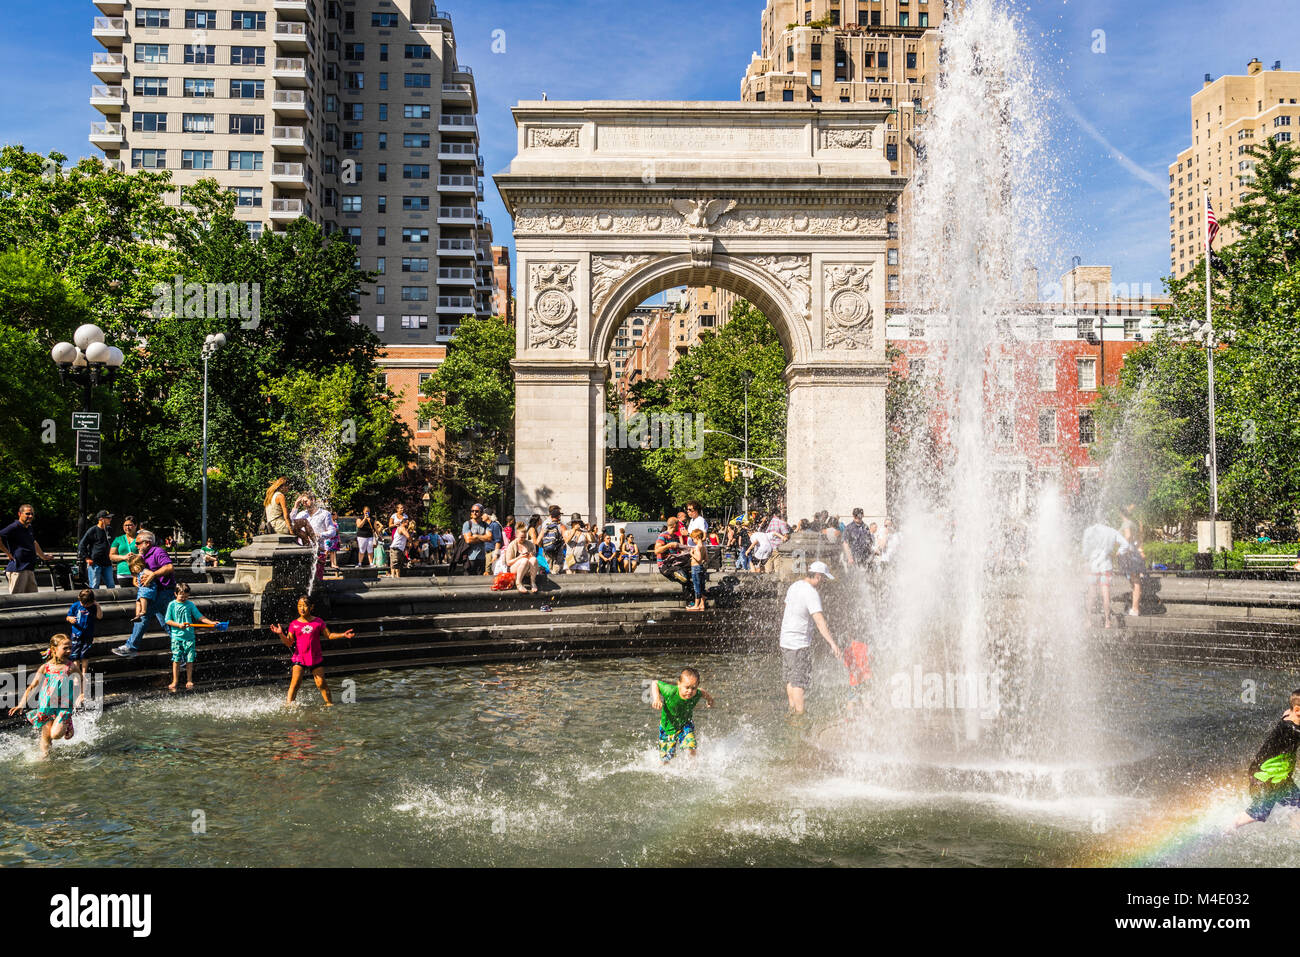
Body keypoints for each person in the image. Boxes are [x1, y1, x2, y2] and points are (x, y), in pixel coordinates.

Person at [779, 561, 842, 715]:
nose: (824, 582)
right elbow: (820, 621)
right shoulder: (811, 593)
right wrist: (833, 644)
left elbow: (788, 608)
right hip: (799, 643)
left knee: (791, 679)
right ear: (818, 576)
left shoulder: (794, 586)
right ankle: (800, 715)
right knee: (799, 682)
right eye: (824, 578)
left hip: (785, 639)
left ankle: (792, 709)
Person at [269, 594, 355, 706]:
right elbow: (289, 642)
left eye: (305, 606)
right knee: (295, 684)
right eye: (299, 606)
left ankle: (329, 704)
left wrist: (343, 635)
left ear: (311, 607)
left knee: (321, 683)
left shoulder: (318, 622)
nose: (302, 608)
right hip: (300, 658)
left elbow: (329, 635)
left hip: (315, 657)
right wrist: (280, 634)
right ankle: (289, 706)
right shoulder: (294, 624)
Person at [1232, 690, 1300, 829]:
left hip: (1280, 777)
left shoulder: (1290, 715)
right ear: (1298, 710)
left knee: (1297, 805)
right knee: (1260, 812)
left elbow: (1287, 710)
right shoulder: (1290, 729)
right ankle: (1226, 828)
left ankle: (1296, 835)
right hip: (1264, 777)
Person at [9, 635, 76, 758]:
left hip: (64, 706)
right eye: (65, 648)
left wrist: (81, 693)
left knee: (55, 734)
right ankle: (45, 759)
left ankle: (68, 722)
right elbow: (32, 686)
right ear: (54, 649)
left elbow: (82, 679)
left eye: (70, 648)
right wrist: (21, 704)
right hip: (46, 705)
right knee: (46, 736)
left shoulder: (71, 666)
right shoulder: (46, 667)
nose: (69, 651)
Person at [113, 529, 175, 657]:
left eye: (138, 543)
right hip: (155, 592)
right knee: (167, 624)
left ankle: (131, 647)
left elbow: (169, 567)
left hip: (163, 592)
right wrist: (137, 579)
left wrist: (153, 574)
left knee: (143, 616)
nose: (135, 545)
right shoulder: (143, 556)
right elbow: (138, 575)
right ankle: (183, 652)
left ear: (147, 543)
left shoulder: (158, 551)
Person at [649, 667, 714, 764]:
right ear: (679, 684)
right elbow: (655, 683)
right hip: (668, 728)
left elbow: (703, 693)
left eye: (693, 688)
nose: (690, 691)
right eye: (687, 687)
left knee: (691, 746)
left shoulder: (697, 693)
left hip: (685, 724)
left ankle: (693, 767)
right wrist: (657, 698)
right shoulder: (670, 691)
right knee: (666, 759)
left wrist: (710, 700)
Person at [164, 582, 219, 692]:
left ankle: (189, 680)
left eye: (186, 595)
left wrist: (211, 623)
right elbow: (167, 620)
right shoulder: (172, 605)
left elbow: (199, 617)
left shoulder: (190, 605)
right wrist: (178, 625)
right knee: (176, 659)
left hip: (189, 637)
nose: (183, 597)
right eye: (181, 595)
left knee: (190, 659)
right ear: (175, 594)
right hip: (176, 637)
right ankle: (175, 681)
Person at [1081, 517, 1128, 629]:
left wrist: (1087, 559)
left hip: (1093, 566)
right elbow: (1125, 544)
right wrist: (1119, 552)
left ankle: (1088, 620)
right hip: (1106, 565)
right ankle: (1107, 621)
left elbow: (1085, 550)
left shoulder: (1089, 531)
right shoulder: (1112, 531)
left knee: (1091, 593)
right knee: (1105, 593)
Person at [0, 504, 49, 595]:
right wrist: (7, 553)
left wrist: (43, 556)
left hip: (29, 568)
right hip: (18, 569)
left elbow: (33, 542)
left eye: (32, 514)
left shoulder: (29, 527)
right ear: (19, 514)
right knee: (17, 601)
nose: (30, 516)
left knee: (33, 600)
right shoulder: (14, 526)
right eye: (27, 514)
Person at [65, 588, 101, 707]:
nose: (84, 605)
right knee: (75, 654)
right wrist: (70, 619)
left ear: (92, 601)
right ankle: (77, 672)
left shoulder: (93, 607)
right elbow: (68, 616)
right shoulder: (76, 606)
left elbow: (100, 617)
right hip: (76, 633)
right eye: (82, 603)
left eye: (87, 604)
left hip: (88, 635)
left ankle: (84, 672)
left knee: (85, 654)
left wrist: (98, 606)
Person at [1119, 504, 1145, 618]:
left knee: (1135, 581)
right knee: (1134, 581)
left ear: (1120, 513)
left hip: (1130, 555)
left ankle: (1135, 608)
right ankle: (1134, 607)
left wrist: (1121, 549)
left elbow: (1128, 536)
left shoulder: (1126, 523)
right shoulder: (1133, 523)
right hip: (1134, 553)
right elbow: (1138, 539)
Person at [78, 510, 116, 589]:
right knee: (94, 585)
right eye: (108, 518)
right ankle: (93, 601)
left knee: (111, 585)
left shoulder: (109, 530)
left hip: (107, 563)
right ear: (101, 519)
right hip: (95, 563)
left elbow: (113, 544)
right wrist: (87, 558)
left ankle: (111, 601)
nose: (110, 519)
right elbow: (82, 545)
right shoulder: (92, 530)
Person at [654, 517, 690, 587]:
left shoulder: (676, 537)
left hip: (674, 563)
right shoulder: (663, 536)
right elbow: (656, 551)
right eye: (678, 524)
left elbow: (680, 551)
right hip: (664, 565)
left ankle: (690, 596)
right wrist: (668, 545)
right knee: (682, 575)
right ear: (674, 525)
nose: (679, 526)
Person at [503, 523, 539, 593]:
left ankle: (533, 582)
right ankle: (518, 582)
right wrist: (520, 557)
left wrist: (531, 555)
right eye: (521, 537)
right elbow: (508, 562)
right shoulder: (512, 545)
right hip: (514, 568)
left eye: (525, 537)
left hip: (527, 568)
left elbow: (533, 558)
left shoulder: (529, 544)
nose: (523, 539)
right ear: (516, 535)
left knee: (534, 559)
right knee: (524, 560)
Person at [460, 504, 493, 576]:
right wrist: (483, 538)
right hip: (469, 557)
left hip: (481, 557)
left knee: (480, 579)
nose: (474, 513)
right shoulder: (467, 524)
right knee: (468, 581)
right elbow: (468, 540)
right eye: (472, 511)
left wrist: (476, 536)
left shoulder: (485, 525)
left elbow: (489, 538)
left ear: (481, 513)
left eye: (477, 511)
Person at [110, 515, 139, 586]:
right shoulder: (118, 539)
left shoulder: (141, 537)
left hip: (138, 572)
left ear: (135, 526)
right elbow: (111, 556)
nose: (127, 527)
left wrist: (136, 556)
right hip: (123, 573)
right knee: (125, 595)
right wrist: (124, 557)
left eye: (130, 525)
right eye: (125, 525)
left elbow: (147, 553)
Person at [538, 506, 567, 571]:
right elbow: (566, 540)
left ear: (551, 516)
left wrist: (544, 545)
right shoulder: (561, 527)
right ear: (559, 516)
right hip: (558, 551)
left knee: (549, 568)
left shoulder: (545, 526)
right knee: (557, 569)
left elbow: (538, 541)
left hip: (547, 550)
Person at [687, 528, 708, 612]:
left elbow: (699, 559)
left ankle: (696, 605)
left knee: (696, 587)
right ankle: (702, 603)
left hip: (696, 567)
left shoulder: (697, 547)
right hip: (701, 568)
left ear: (696, 537)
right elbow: (706, 559)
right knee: (702, 586)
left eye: (693, 538)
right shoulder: (703, 546)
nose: (692, 540)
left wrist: (691, 554)